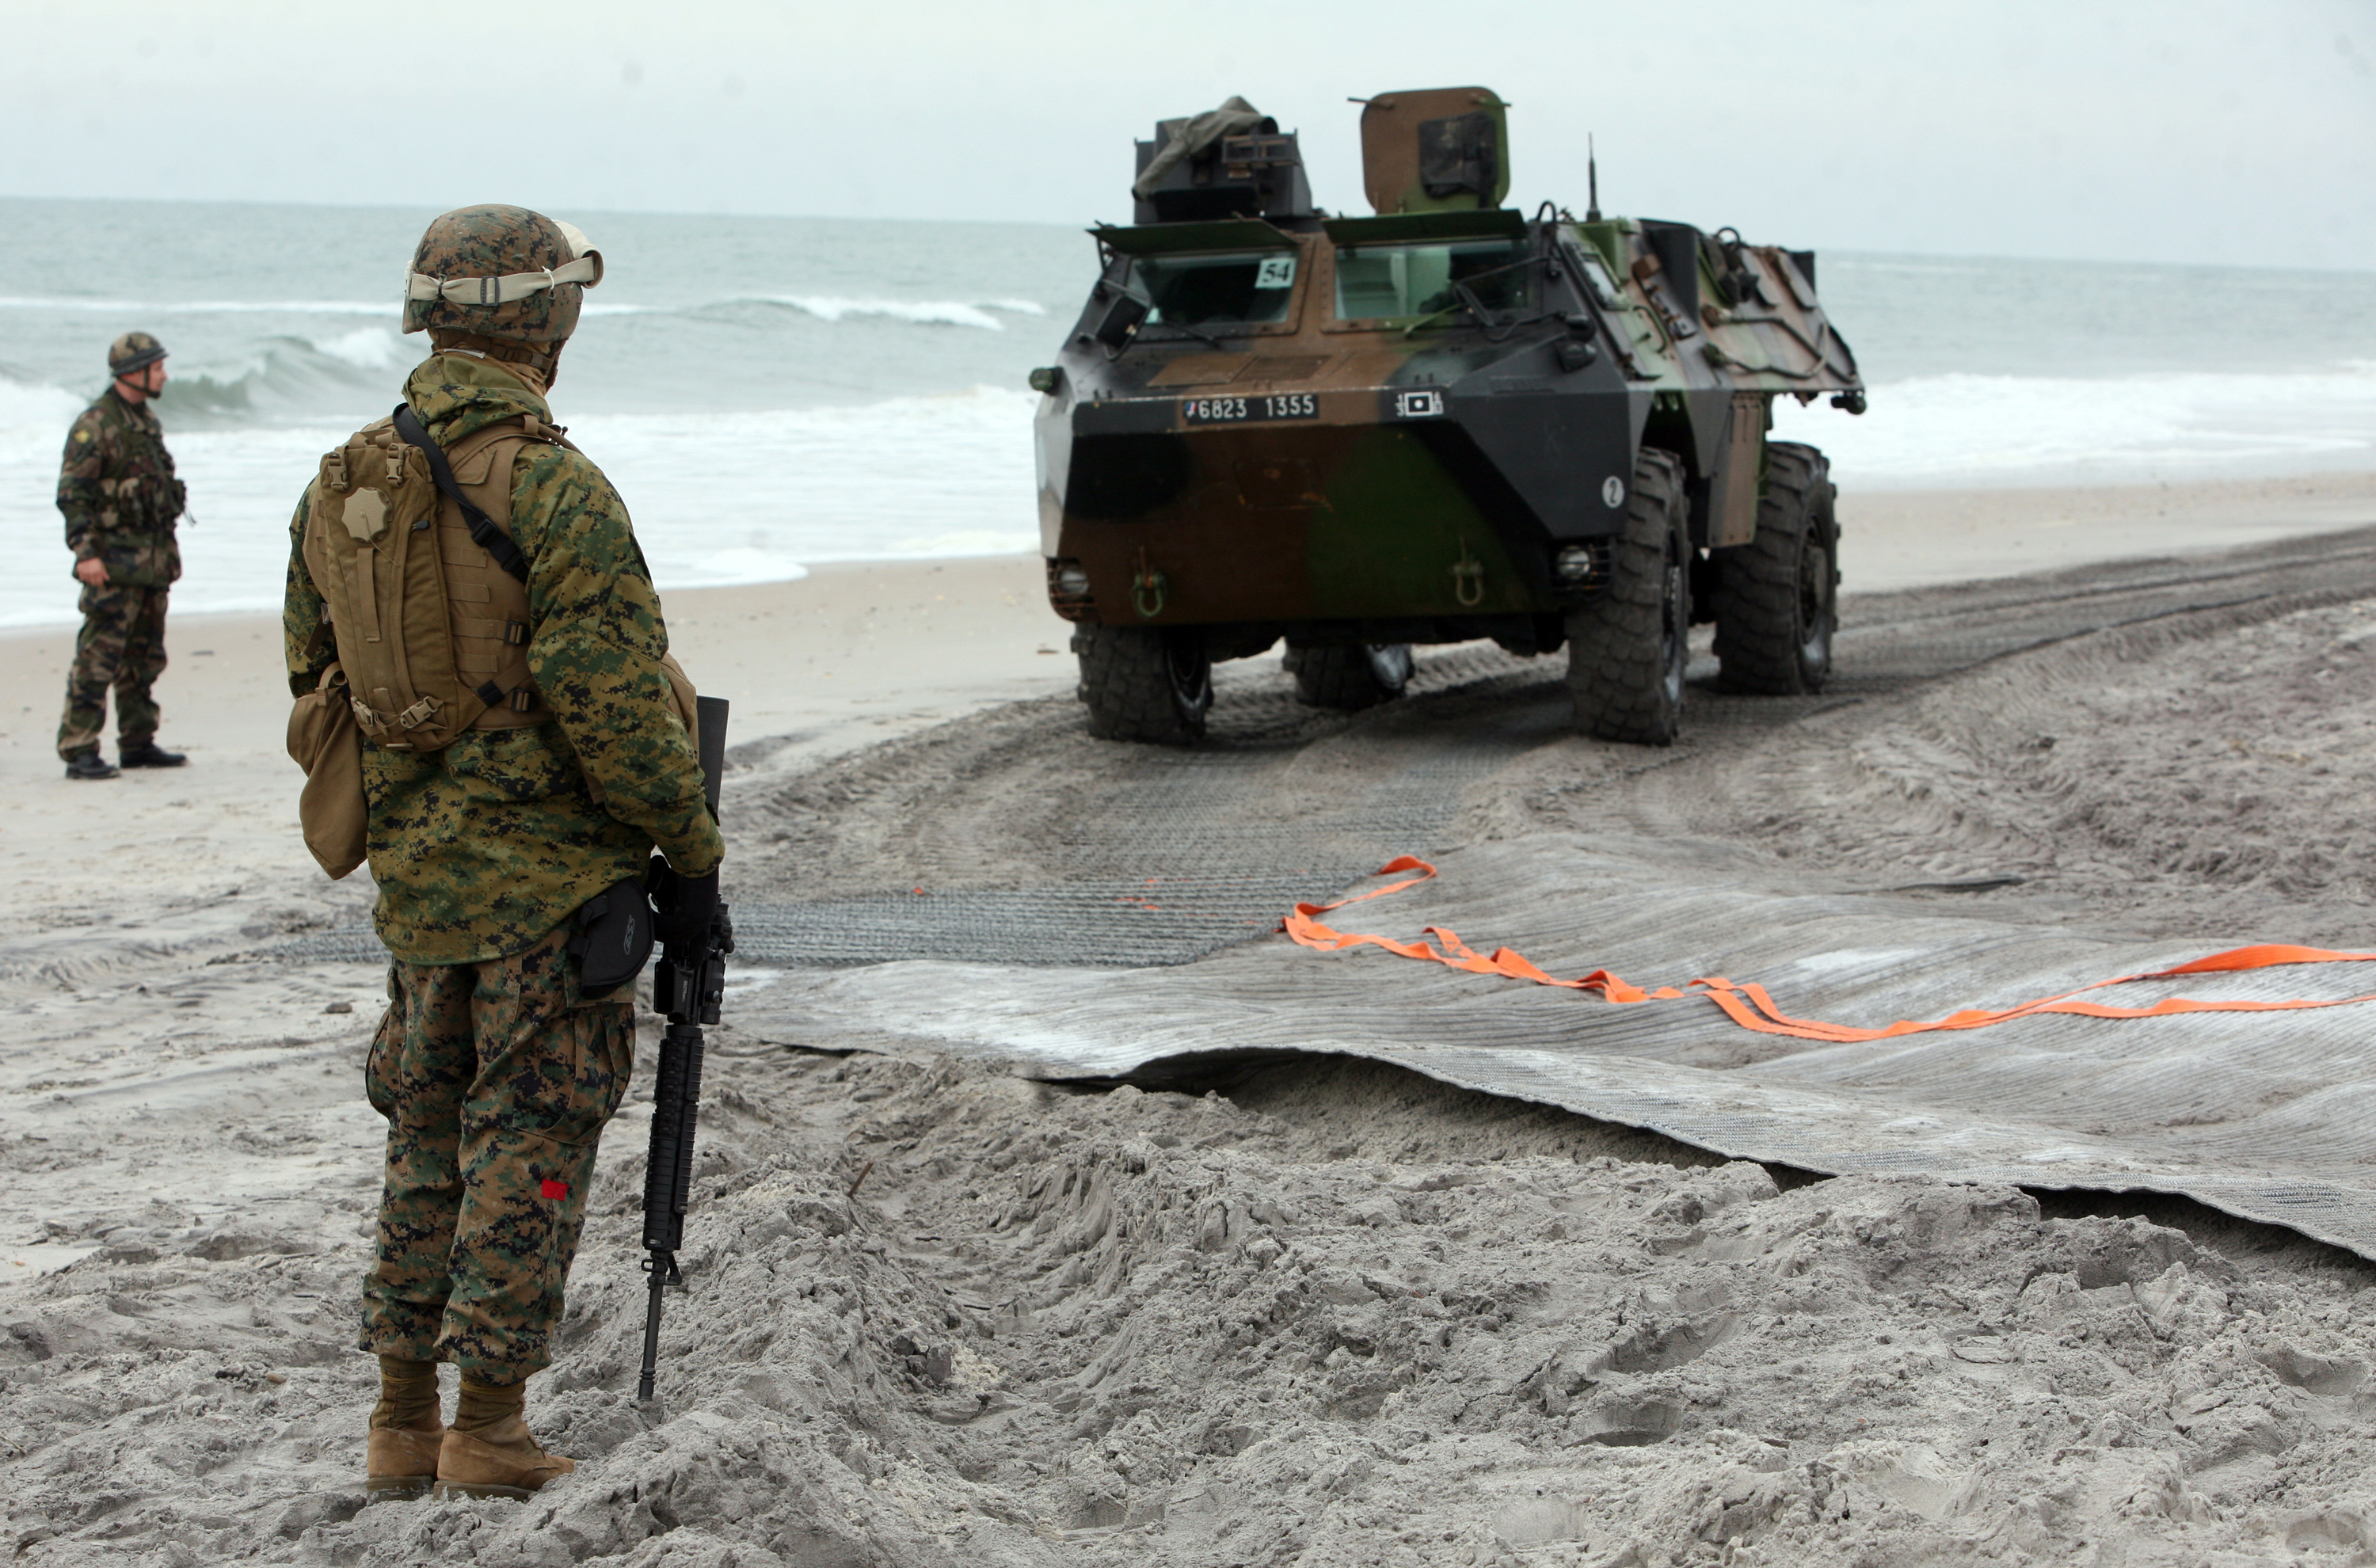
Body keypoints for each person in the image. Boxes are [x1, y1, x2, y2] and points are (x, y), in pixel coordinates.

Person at [282, 206, 724, 1501]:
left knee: (423, 1145)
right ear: (546, 320)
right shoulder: (557, 487)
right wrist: (689, 858)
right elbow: (614, 705)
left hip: (417, 889)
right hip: (550, 889)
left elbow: (316, 678)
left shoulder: (345, 482)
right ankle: (489, 1429)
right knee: (531, 1146)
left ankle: (398, 1424)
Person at [56, 331, 188, 780]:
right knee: (98, 658)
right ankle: (79, 748)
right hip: (111, 565)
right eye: (157, 367)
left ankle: (137, 742)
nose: (165, 375)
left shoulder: (143, 421)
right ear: (134, 372)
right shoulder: (97, 425)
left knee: (144, 658)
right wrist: (85, 553)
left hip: (150, 563)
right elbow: (74, 494)